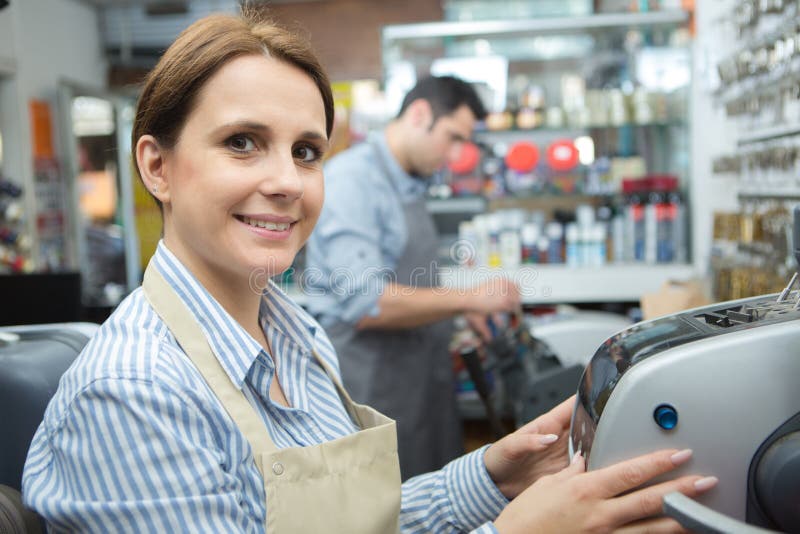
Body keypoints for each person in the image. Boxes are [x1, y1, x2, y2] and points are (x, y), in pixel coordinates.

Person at [22, 11, 717, 534]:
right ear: (156, 166)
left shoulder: (295, 338)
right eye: (243, 143)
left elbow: (344, 526)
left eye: (306, 151)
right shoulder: (135, 396)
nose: (286, 181)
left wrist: (488, 477)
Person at [305, 75, 520, 479]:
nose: (456, 155)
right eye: (452, 137)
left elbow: (411, 282)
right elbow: (368, 302)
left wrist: (457, 314)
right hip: (373, 387)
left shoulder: (409, 181)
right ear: (420, 114)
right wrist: (467, 299)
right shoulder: (353, 180)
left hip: (422, 378)